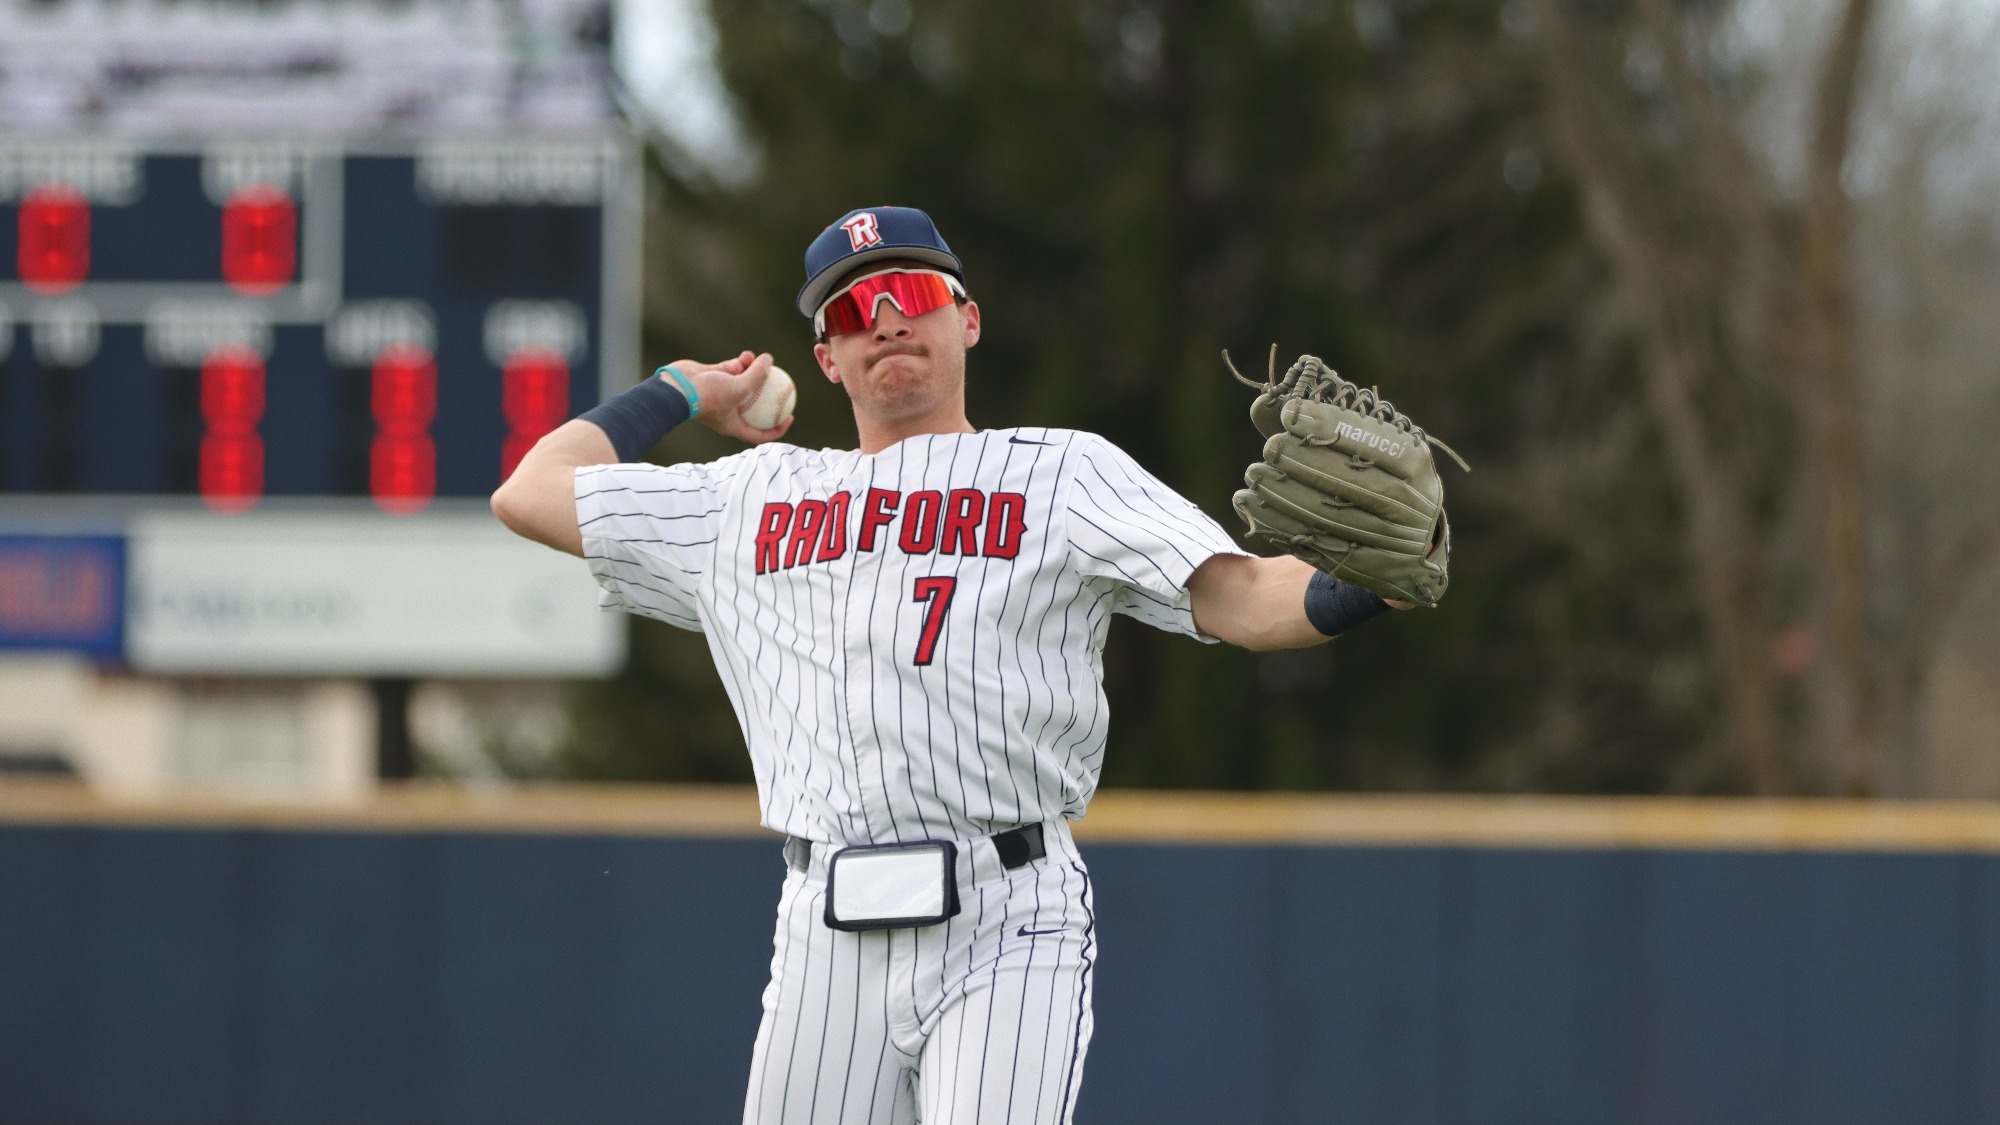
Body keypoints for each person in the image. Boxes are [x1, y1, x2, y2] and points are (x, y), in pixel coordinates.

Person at [491, 205, 1398, 1125]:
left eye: (912, 292)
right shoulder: (750, 497)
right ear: (827, 360)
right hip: (825, 920)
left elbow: (1244, 599)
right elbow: (529, 493)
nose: (885, 317)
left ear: (966, 318)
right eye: (850, 312)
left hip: (1010, 912)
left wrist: (1379, 581)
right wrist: (681, 390)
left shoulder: (1061, 474)